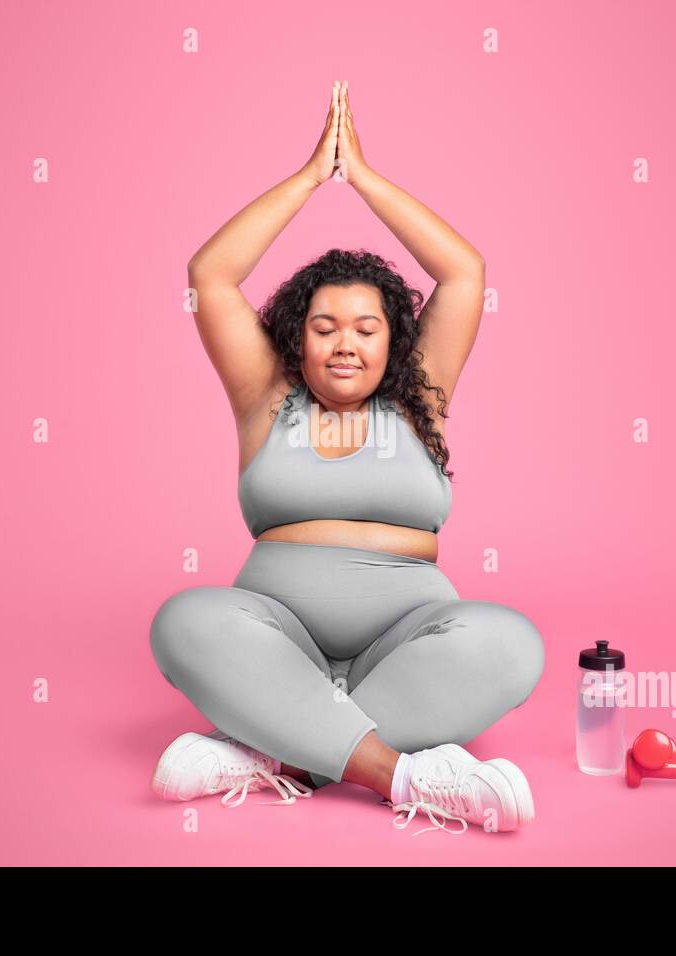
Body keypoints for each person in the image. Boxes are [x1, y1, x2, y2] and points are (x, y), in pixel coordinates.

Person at [149, 81, 545, 834]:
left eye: (366, 328)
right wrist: (309, 179)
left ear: (395, 341)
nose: (345, 343)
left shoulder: (420, 400)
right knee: (184, 620)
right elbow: (211, 275)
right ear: (296, 338)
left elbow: (464, 272)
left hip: (408, 637)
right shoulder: (266, 398)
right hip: (278, 634)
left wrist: (361, 178)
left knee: (511, 643)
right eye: (324, 326)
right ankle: (403, 775)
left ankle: (276, 751)